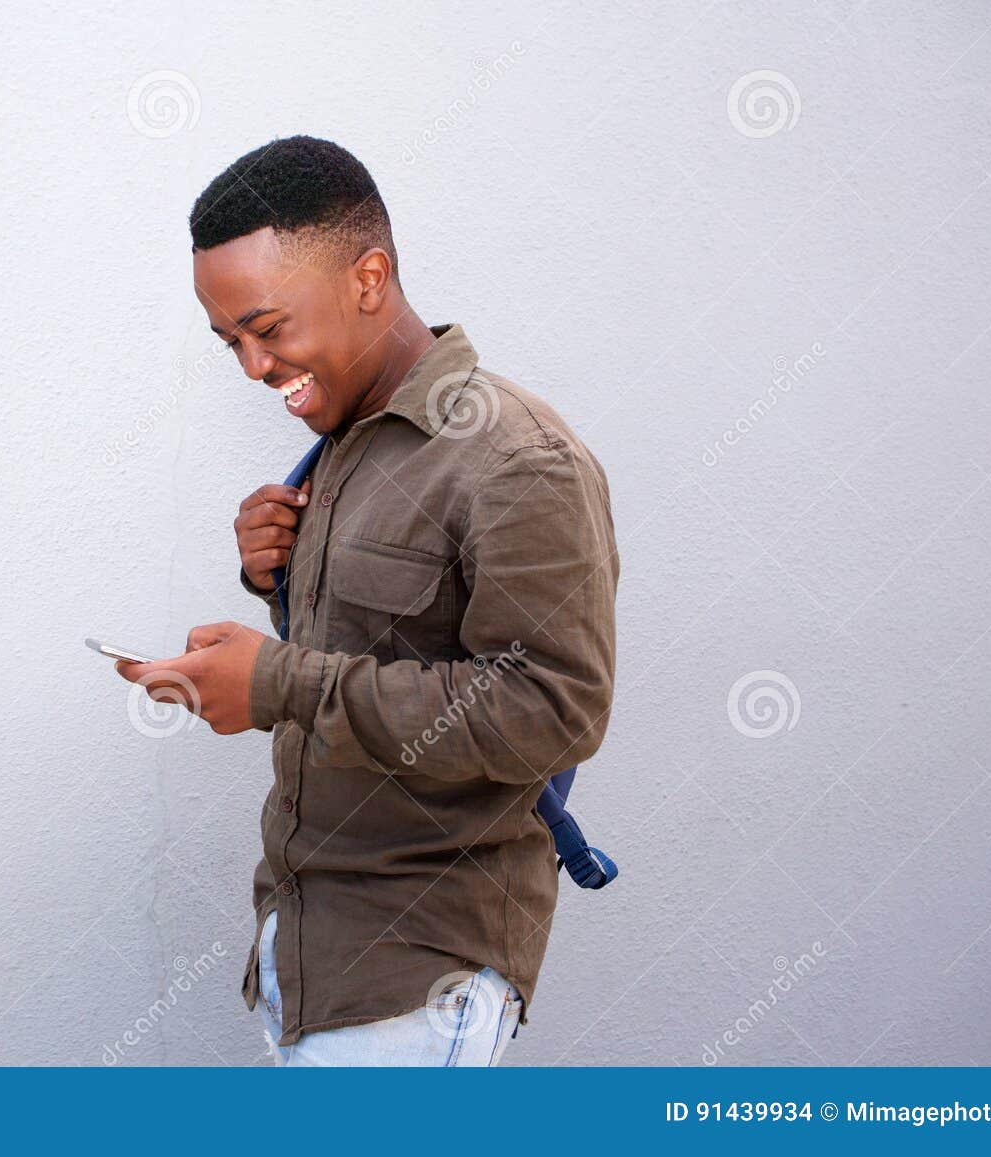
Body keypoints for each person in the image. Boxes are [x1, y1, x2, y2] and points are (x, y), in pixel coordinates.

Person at [116, 134, 619, 1066]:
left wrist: (277, 684)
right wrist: (273, 582)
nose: (253, 367)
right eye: (230, 341)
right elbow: (394, 654)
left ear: (368, 277)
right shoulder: (346, 442)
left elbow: (553, 709)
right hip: (311, 956)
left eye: (268, 329)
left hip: (416, 975)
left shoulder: (517, 458)